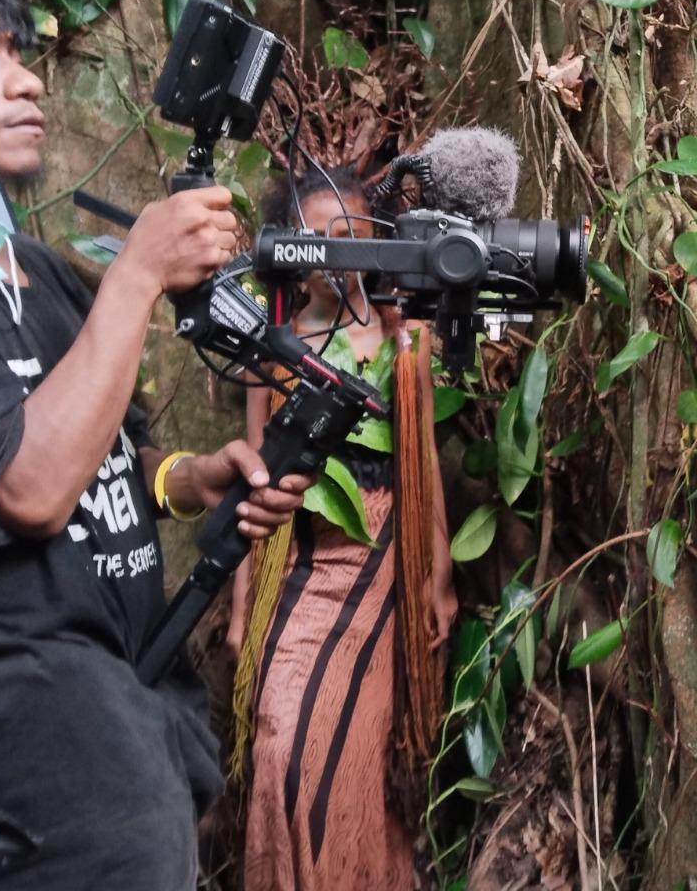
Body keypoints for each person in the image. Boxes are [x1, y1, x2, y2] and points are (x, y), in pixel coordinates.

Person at [0, 0, 310, 890]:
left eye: (17, 54)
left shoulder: (37, 273)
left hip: (130, 714)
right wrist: (137, 274)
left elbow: (109, 452)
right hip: (26, 734)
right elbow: (31, 488)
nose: (23, 81)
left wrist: (186, 480)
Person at [227, 167, 458, 891]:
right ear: (293, 249)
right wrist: (240, 607)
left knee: (358, 750)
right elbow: (253, 476)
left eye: (352, 234)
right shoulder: (274, 347)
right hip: (297, 565)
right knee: (280, 743)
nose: (337, 251)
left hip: (384, 567)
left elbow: (422, 459)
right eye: (319, 238)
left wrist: (439, 575)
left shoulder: (404, 340)